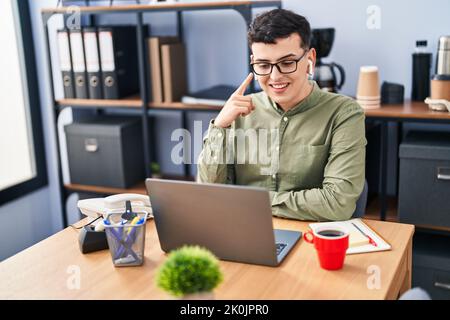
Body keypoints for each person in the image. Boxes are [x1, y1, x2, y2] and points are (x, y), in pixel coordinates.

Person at [197, 9, 366, 221]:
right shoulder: (239, 110)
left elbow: (337, 204)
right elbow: (210, 195)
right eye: (263, 65)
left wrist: (256, 202)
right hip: (244, 229)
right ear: (253, 61)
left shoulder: (344, 114)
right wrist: (219, 127)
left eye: (287, 63)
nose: (275, 77)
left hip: (309, 236)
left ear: (310, 59)